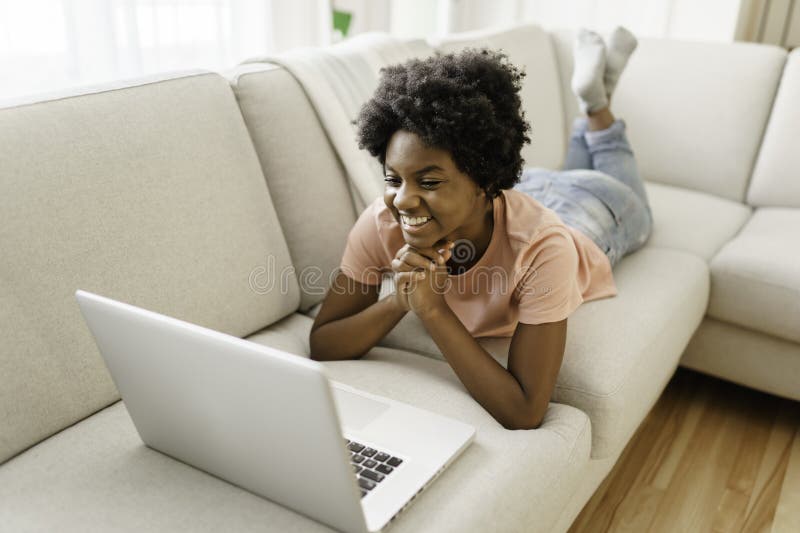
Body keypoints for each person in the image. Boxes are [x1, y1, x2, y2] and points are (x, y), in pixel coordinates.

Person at [309, 27, 652, 430]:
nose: (401, 200)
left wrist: (433, 310)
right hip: (531, 189)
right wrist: (401, 302)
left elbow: (524, 411)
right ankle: (591, 103)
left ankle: (596, 107)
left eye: (429, 182)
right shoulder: (383, 221)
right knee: (561, 173)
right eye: (393, 179)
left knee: (634, 206)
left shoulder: (544, 248)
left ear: (486, 181)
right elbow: (323, 342)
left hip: (594, 209)